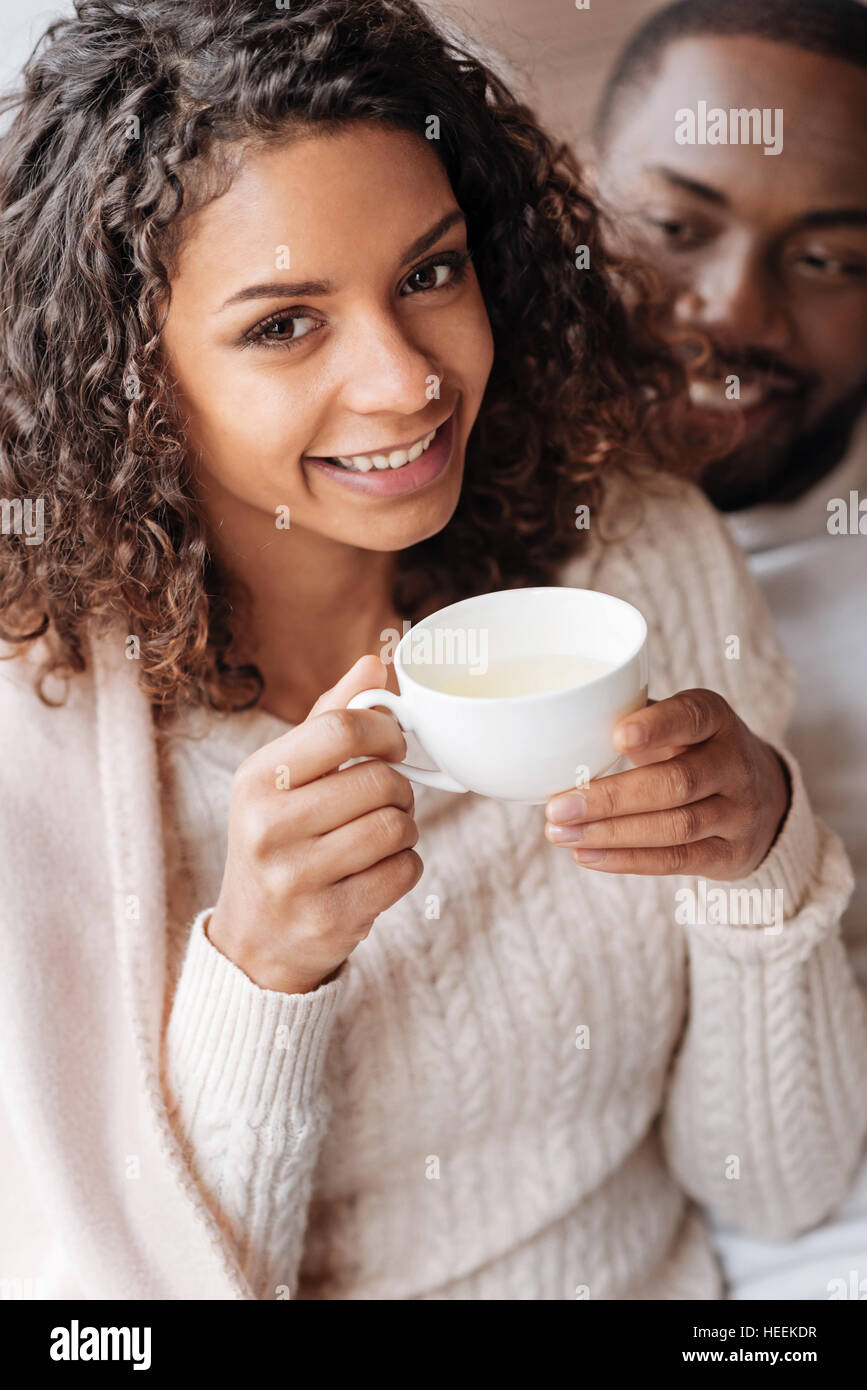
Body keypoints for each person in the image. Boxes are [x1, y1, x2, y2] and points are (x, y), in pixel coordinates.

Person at [1, 0, 865, 1302]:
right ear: (130, 373)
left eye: (429, 272)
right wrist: (262, 970)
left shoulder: (632, 556)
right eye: (286, 323)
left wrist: (765, 861)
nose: (408, 380)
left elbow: (776, 1185)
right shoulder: (52, 740)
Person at [591, 0, 867, 1299]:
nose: (732, 311)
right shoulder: (435, 532)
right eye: (680, 226)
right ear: (577, 204)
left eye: (830, 259)